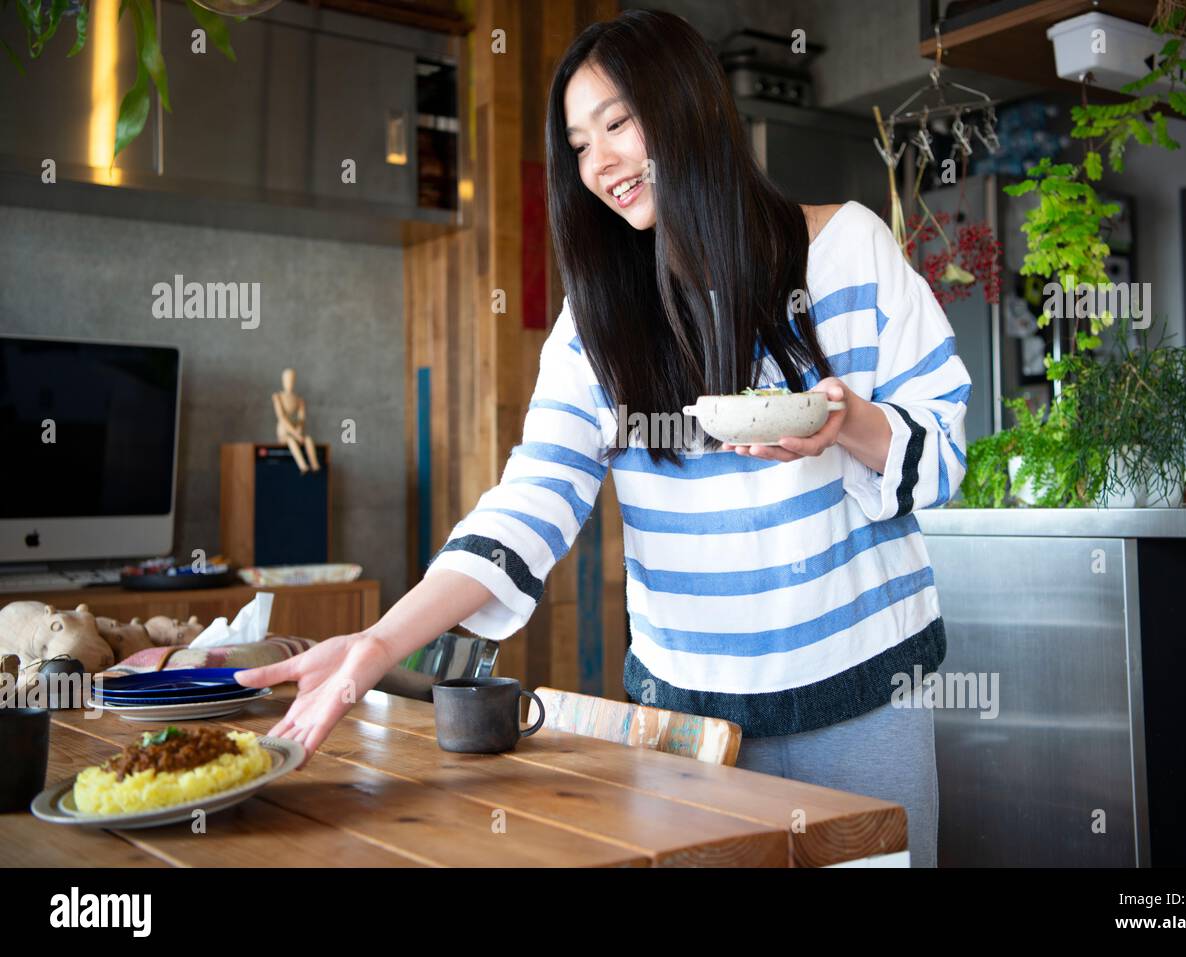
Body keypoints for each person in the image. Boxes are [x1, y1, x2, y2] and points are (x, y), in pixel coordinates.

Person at [235, 9, 970, 868]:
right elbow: (530, 501)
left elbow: (945, 449)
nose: (600, 163)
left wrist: (849, 421)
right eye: (580, 145)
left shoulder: (847, 251)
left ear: (688, 106)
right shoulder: (598, 324)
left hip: (863, 703)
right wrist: (377, 645)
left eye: (617, 123)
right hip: (688, 729)